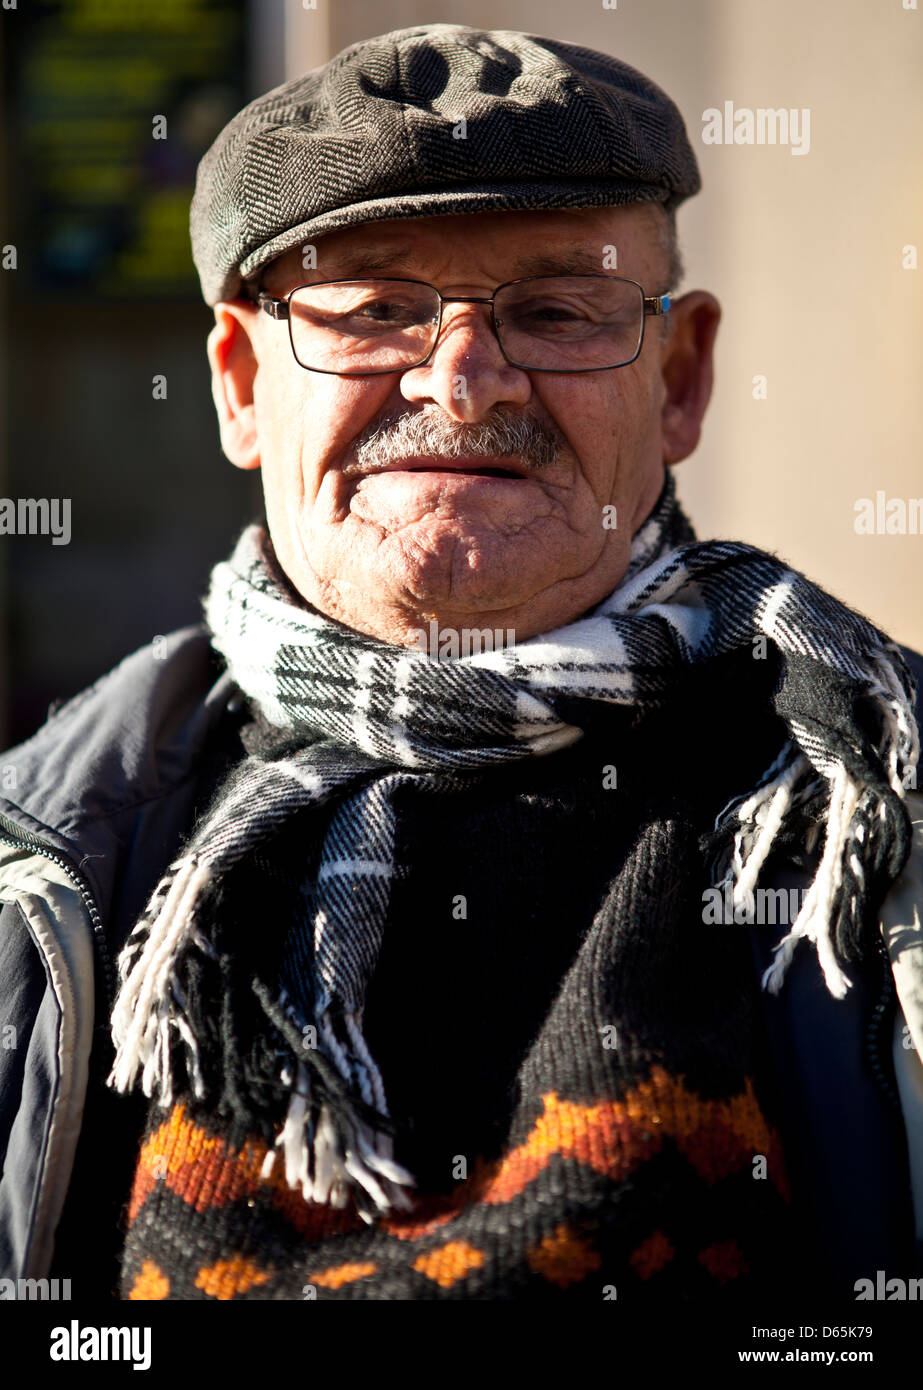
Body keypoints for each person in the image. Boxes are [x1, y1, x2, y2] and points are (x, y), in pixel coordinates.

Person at [1, 23, 920, 1304]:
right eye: (376, 309)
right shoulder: (48, 852)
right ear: (238, 385)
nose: (467, 380)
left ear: (680, 375)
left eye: (554, 309)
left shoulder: (876, 793)